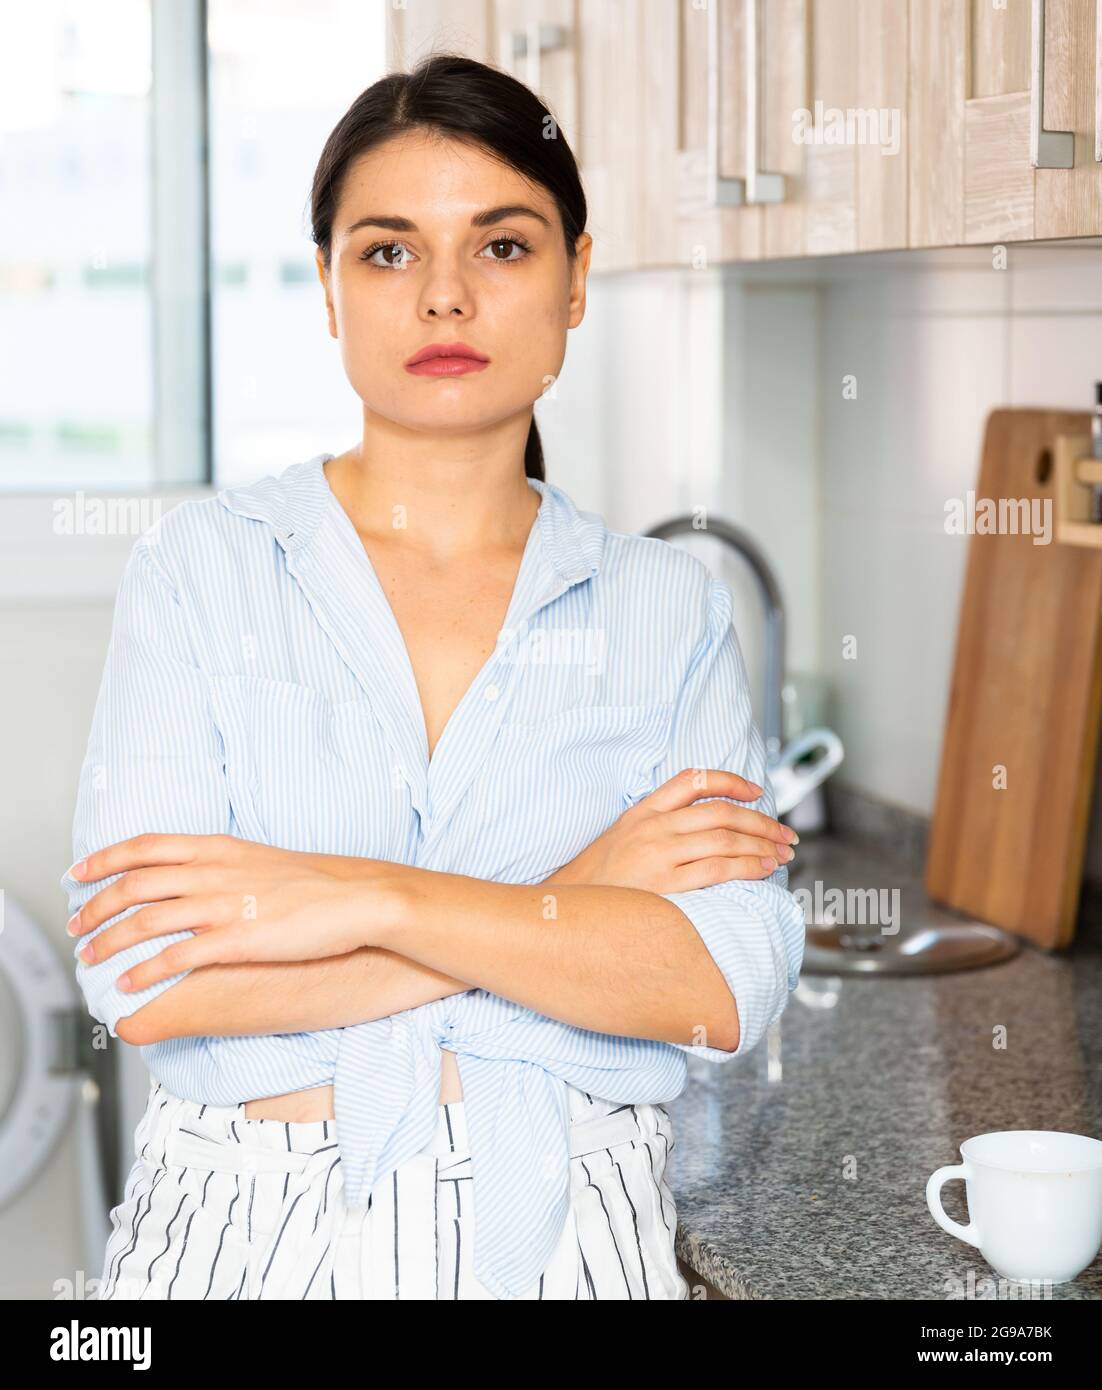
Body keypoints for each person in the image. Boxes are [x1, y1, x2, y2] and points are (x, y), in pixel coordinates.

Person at [60, 52, 805, 1301]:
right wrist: (575, 894)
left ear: (574, 281)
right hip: (247, 1228)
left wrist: (365, 902)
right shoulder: (203, 569)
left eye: (503, 248)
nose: (445, 297)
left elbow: (721, 986)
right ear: (329, 287)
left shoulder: (667, 608)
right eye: (390, 251)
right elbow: (148, 979)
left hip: (576, 1226)